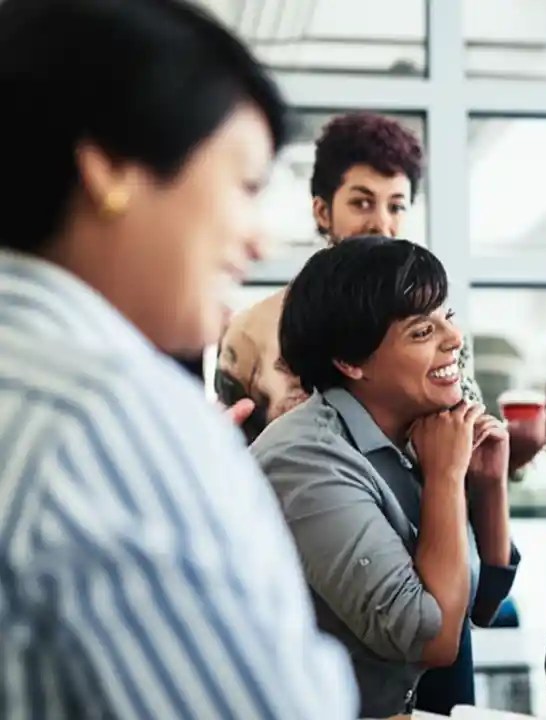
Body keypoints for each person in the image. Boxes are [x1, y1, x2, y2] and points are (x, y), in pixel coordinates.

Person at [0, 0, 356, 717]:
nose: (258, 240)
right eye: (245, 185)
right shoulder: (107, 414)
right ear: (111, 167)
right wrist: (199, 478)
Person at [251, 237, 520, 717]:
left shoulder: (418, 434)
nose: (453, 339)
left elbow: (479, 610)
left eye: (448, 317)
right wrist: (444, 478)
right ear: (350, 362)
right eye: (421, 332)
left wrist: (487, 484)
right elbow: (432, 640)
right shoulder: (306, 460)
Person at [216, 113, 546, 469]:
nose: (381, 223)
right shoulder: (250, 332)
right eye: (362, 203)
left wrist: (513, 455)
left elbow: (466, 452)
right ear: (322, 211)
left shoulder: (439, 331)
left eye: (396, 206)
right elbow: (229, 455)